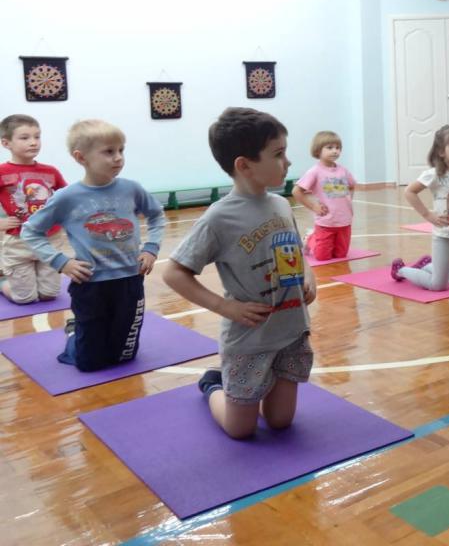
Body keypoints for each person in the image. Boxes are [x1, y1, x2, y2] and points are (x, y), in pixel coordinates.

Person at [164, 108, 316, 439]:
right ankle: (211, 384)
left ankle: (257, 387)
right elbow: (174, 273)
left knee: (280, 421)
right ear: (244, 165)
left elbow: (294, 250)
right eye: (278, 154)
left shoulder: (281, 205)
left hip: (291, 331)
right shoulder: (219, 218)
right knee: (240, 429)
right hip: (251, 339)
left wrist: (307, 276)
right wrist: (226, 308)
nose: (287, 162)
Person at [21, 120, 165, 371]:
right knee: (89, 363)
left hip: (130, 280)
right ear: (81, 157)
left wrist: (151, 247)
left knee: (125, 355)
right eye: (109, 151)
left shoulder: (131, 189)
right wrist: (61, 262)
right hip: (90, 283)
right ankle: (74, 333)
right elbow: (31, 230)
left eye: (121, 150)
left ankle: (92, 335)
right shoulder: (68, 197)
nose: (118, 158)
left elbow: (156, 215)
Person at [391, 124, 449, 291]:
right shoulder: (434, 174)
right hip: (444, 237)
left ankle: (428, 265)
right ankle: (401, 270)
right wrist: (428, 215)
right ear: (441, 152)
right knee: (437, 285)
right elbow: (410, 192)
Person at [0, 114, 68, 304]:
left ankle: (34, 280)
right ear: (6, 143)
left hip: (50, 239)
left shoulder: (50, 171)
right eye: (25, 138)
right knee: (25, 298)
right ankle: (4, 282)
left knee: (49, 294)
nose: (33, 142)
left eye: (37, 137)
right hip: (18, 241)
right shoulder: (2, 172)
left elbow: (68, 197)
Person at [293, 131, 357, 261]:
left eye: (337, 148)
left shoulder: (343, 170)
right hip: (325, 222)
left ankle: (318, 240)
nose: (335, 151)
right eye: (330, 147)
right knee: (322, 257)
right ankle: (310, 239)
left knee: (341, 255)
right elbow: (296, 191)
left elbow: (352, 185)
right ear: (318, 150)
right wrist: (314, 206)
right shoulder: (314, 171)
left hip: (344, 221)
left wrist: (349, 201)